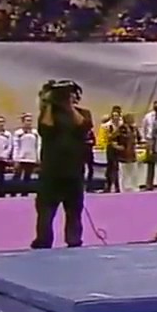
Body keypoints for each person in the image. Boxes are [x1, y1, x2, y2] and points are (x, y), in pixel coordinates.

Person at [32, 80, 94, 249]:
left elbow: (83, 126)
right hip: (50, 171)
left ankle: (74, 240)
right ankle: (43, 240)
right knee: (45, 210)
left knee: (74, 210)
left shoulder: (83, 113)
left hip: (74, 171)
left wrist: (69, 105)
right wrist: (49, 104)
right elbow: (46, 128)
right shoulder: (48, 114)